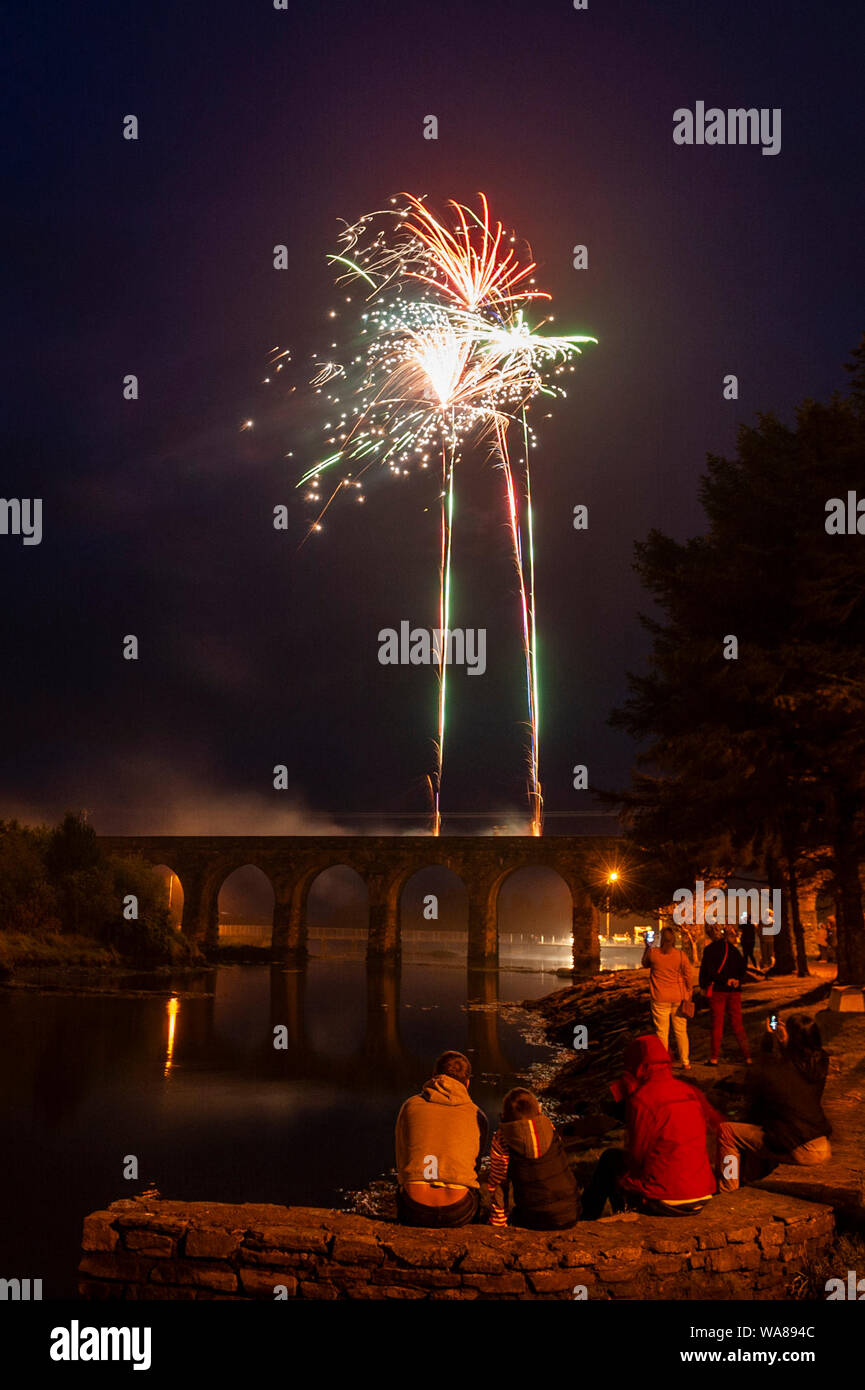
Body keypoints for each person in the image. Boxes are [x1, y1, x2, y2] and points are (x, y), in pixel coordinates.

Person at [581, 1035, 724, 1219]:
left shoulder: (642, 1100)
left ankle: (588, 1217)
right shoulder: (689, 1091)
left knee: (610, 1161)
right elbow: (716, 1123)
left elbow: (637, 1155)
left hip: (668, 1198)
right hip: (703, 1191)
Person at [719, 1013, 832, 1190]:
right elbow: (796, 1062)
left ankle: (728, 1185)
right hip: (820, 1142)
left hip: (798, 1146)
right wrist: (783, 1042)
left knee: (727, 1131)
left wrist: (770, 1041)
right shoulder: (820, 1064)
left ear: (790, 1037)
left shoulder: (775, 1071)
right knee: (760, 1132)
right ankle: (748, 1179)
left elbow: (761, 1075)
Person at [394, 1050, 488, 1227]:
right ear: (467, 1084)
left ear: (433, 1077)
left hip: (415, 1208)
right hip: (458, 1210)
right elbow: (474, 1166)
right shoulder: (478, 1115)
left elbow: (401, 1156)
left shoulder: (410, 1106)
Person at [487, 1087, 579, 1230]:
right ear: (538, 1110)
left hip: (533, 1218)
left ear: (505, 1116)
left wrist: (498, 1224)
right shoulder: (549, 1126)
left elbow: (498, 1183)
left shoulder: (502, 1138)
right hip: (571, 1212)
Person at [699, 922, 752, 1065]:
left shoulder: (710, 950)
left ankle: (714, 1057)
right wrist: (737, 980)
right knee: (737, 1023)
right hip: (734, 991)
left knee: (717, 1024)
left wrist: (704, 985)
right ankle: (747, 1056)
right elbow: (742, 969)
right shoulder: (734, 951)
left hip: (718, 990)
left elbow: (708, 971)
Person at [641, 925, 693, 1068]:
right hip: (678, 997)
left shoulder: (653, 953)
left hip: (659, 997)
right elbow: (688, 976)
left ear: (661, 939)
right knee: (681, 1031)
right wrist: (689, 993)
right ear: (674, 940)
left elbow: (644, 964)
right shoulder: (681, 955)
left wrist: (647, 946)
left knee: (662, 1033)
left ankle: (664, 1063)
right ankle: (685, 1062)